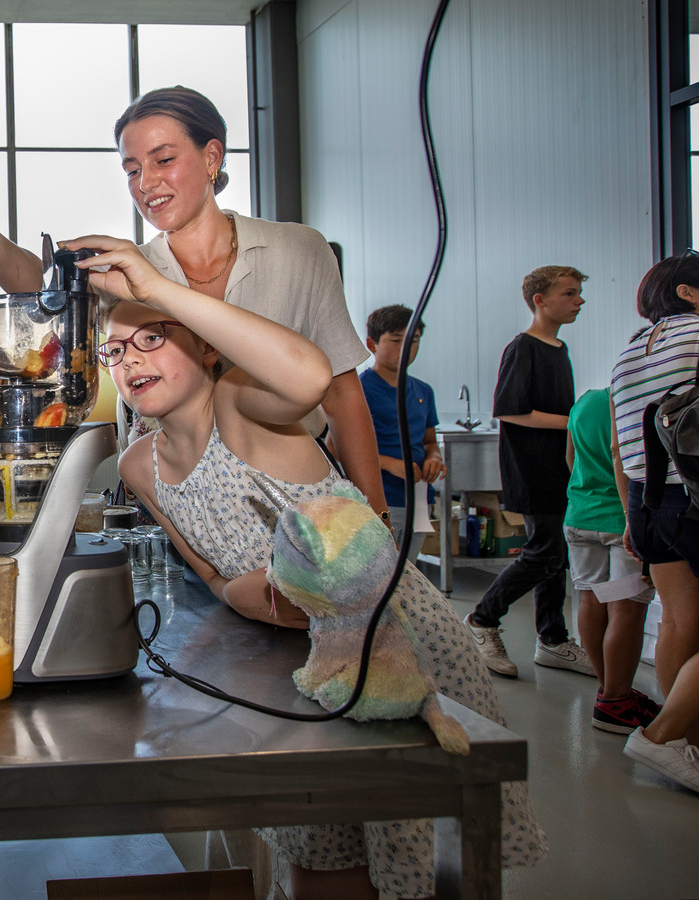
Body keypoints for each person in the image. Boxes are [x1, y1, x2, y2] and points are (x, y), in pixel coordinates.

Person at [67, 233, 546, 900]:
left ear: (206, 345)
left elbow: (309, 374)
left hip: (397, 640)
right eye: (115, 352)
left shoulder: (238, 404)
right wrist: (246, 594)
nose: (129, 360)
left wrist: (158, 288)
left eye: (152, 337)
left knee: (423, 856)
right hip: (301, 665)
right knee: (322, 852)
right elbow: (207, 573)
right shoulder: (135, 465)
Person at [0, 85, 388, 520]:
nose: (145, 183)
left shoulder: (300, 251)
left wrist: (377, 515)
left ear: (211, 156)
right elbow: (44, 290)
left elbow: (342, 392)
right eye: (132, 170)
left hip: (297, 487)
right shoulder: (132, 271)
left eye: (163, 160)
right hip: (175, 496)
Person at [463, 266, 594, 679]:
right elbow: (510, 410)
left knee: (556, 559)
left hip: (559, 469)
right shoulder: (524, 347)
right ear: (540, 299)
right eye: (570, 294)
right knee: (545, 555)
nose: (579, 301)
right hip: (532, 467)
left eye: (579, 294)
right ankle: (482, 620)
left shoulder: (559, 348)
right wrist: (573, 422)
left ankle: (552, 640)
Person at [610, 252, 699, 789]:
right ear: (688, 292)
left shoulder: (628, 355)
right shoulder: (698, 336)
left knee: (678, 622)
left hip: (649, 501)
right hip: (694, 498)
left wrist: (631, 515)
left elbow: (622, 447)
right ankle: (664, 733)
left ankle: (688, 744)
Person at [563, 387, 657, 733]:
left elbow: (571, 459)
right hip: (620, 523)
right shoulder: (637, 402)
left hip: (579, 516)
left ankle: (610, 690)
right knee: (625, 608)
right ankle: (616, 699)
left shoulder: (585, 402)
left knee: (589, 599)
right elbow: (624, 458)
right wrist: (627, 511)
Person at [359, 303, 444, 561]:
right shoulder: (360, 390)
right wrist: (390, 464)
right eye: (396, 340)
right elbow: (335, 449)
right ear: (372, 344)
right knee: (378, 577)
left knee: (409, 577)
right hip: (379, 499)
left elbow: (429, 441)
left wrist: (435, 458)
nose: (406, 347)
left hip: (418, 499)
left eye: (414, 340)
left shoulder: (423, 391)